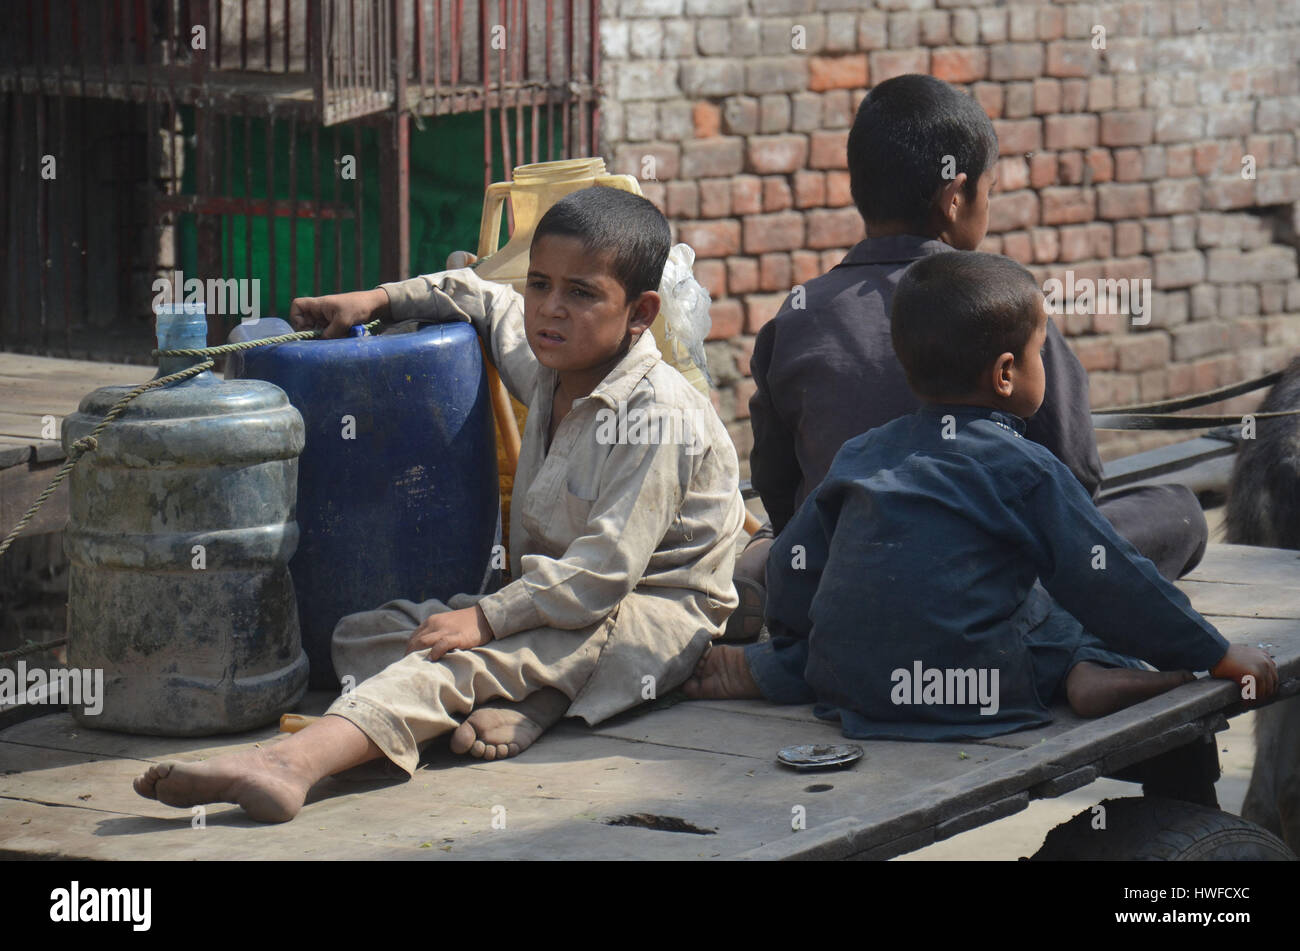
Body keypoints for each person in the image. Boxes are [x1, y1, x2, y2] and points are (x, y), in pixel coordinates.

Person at [133, 187, 745, 822]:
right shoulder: (551, 366)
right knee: (363, 636)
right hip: (554, 603)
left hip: (648, 616)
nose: (549, 309)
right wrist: (377, 298)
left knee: (450, 660)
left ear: (641, 312)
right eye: (540, 284)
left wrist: (484, 620)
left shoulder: (659, 417)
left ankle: (288, 766)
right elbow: (482, 294)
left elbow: (604, 574)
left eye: (581, 293)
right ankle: (536, 696)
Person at [688, 251, 1276, 737]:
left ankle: (771, 667)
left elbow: (797, 564)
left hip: (852, 683)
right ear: (1004, 374)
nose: (1042, 361)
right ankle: (1086, 671)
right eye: (1038, 351)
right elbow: (1114, 577)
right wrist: (1215, 653)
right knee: (1058, 601)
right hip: (980, 685)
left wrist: (793, 634)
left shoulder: (861, 454)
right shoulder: (1024, 467)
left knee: (855, 628)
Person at [726, 73, 1206, 643]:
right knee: (1177, 510)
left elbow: (777, 482)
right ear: (955, 198)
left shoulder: (800, 313)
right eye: (990, 189)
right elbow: (1076, 476)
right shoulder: (1002, 304)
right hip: (982, 591)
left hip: (841, 584)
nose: (989, 203)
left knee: (781, 550)